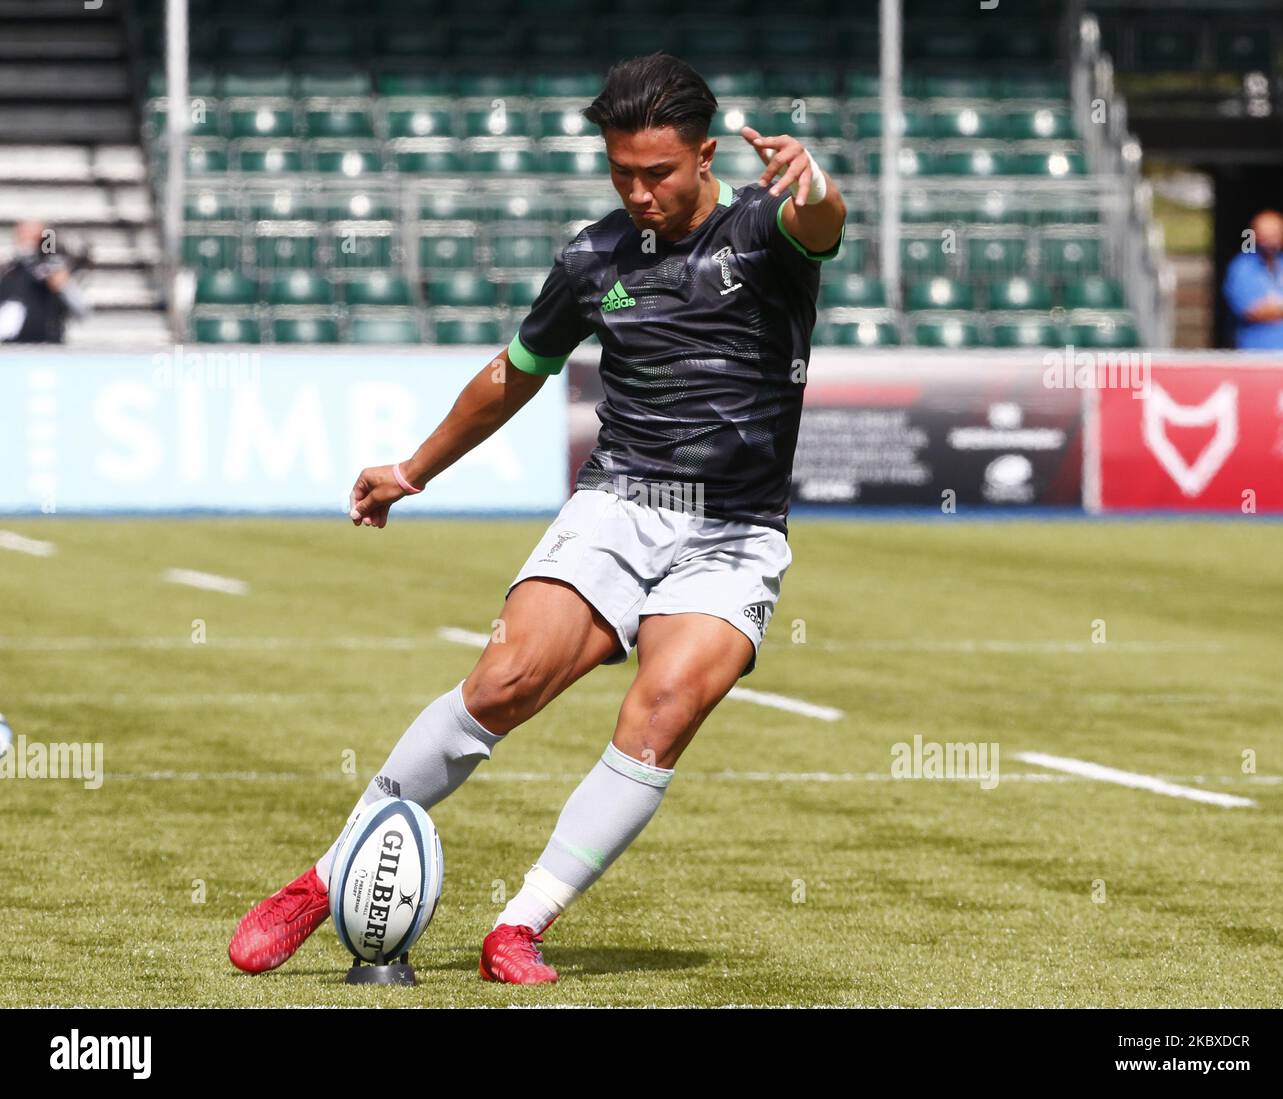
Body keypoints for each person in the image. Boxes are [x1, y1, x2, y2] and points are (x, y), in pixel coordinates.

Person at [228, 52, 846, 984]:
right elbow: (516, 372)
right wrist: (411, 470)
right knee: (508, 679)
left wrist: (818, 181)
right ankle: (325, 878)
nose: (638, 192)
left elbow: (820, 220)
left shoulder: (765, 229)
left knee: (665, 708)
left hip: (735, 531)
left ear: (706, 153)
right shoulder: (593, 258)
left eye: (658, 174)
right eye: (621, 172)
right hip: (620, 502)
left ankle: (519, 925)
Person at [0, 221, 91, 343]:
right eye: (23, 235)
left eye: (34, 236)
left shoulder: (55, 270)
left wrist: (64, 286)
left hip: (48, 348)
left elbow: (82, 311)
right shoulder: (9, 271)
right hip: (13, 347)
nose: (27, 241)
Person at [1223, 209, 1283, 350]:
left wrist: (1277, 308)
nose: (1270, 240)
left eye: (1275, 234)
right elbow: (1253, 311)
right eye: (1265, 234)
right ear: (1254, 235)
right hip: (1255, 355)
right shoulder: (1242, 267)